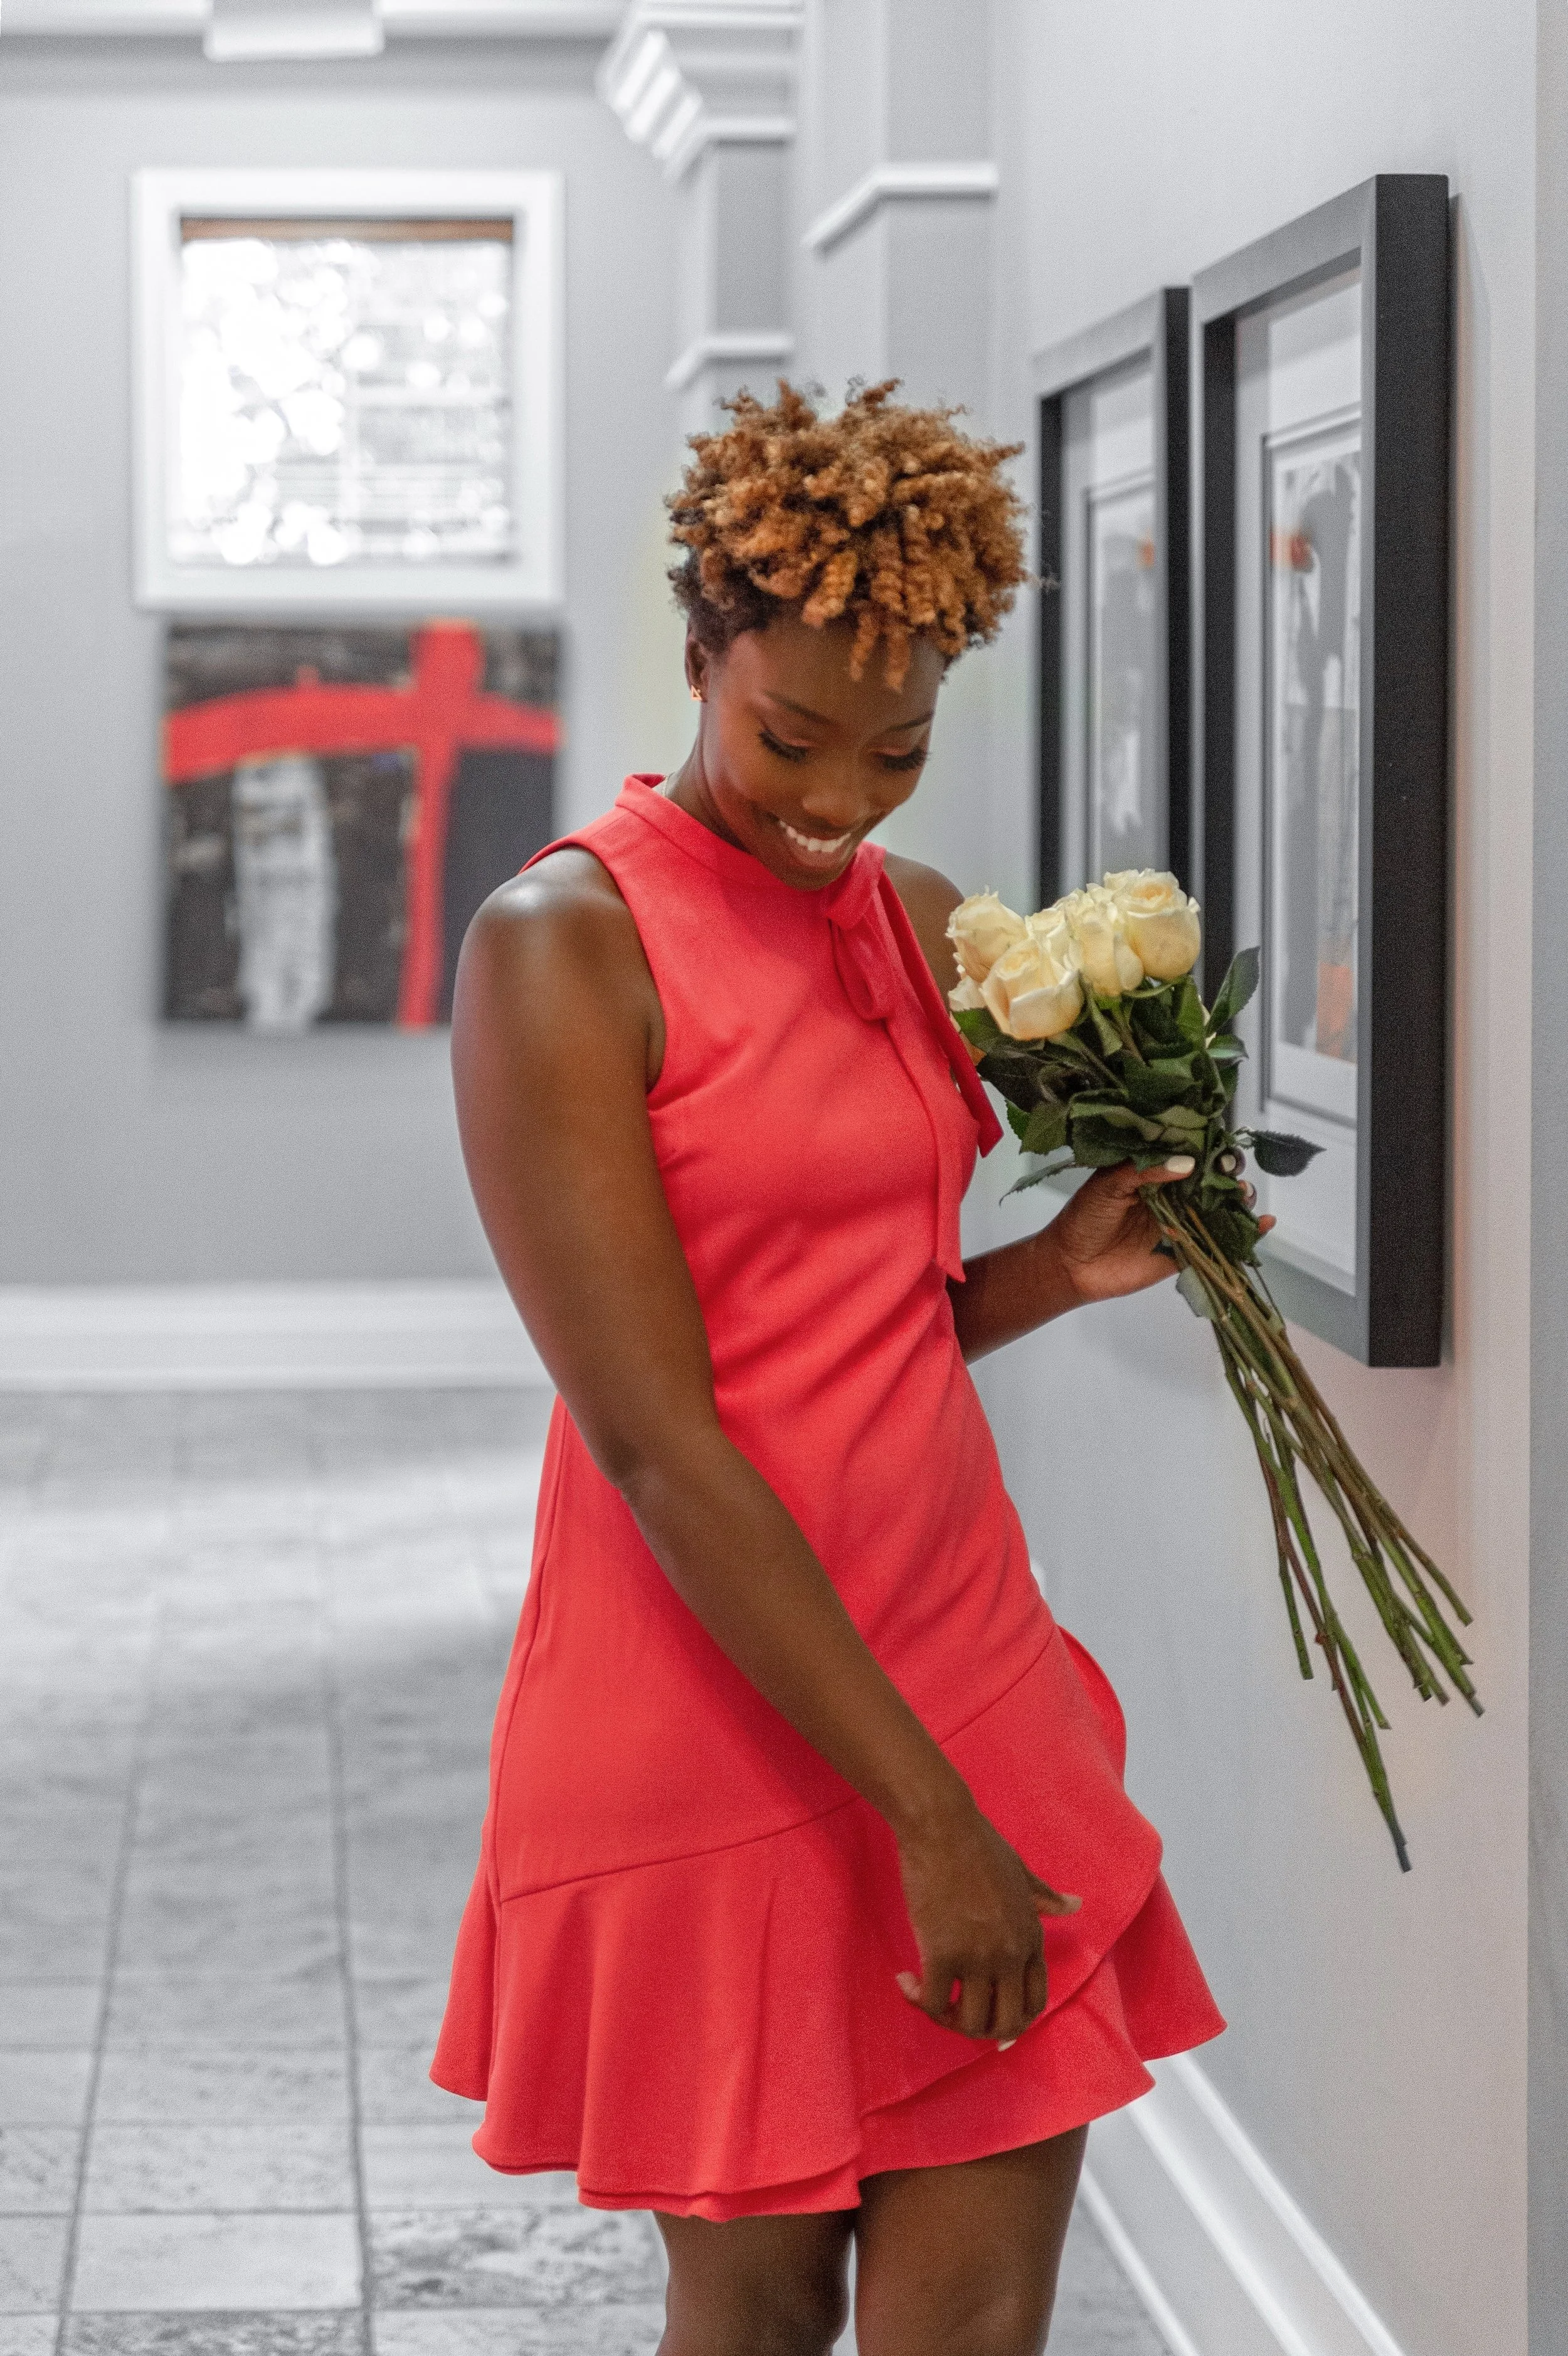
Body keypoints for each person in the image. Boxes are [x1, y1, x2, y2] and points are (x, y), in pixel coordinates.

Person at [433, 382, 1230, 2356]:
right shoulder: (564, 946)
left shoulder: (923, 926)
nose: (838, 798)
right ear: (701, 651)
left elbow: (857, 1326)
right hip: (720, 1704)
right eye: (790, 736)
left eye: (896, 750)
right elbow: (660, 1436)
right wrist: (925, 1816)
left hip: (958, 1643)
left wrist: (1044, 1271)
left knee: (974, 2324)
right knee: (758, 2311)